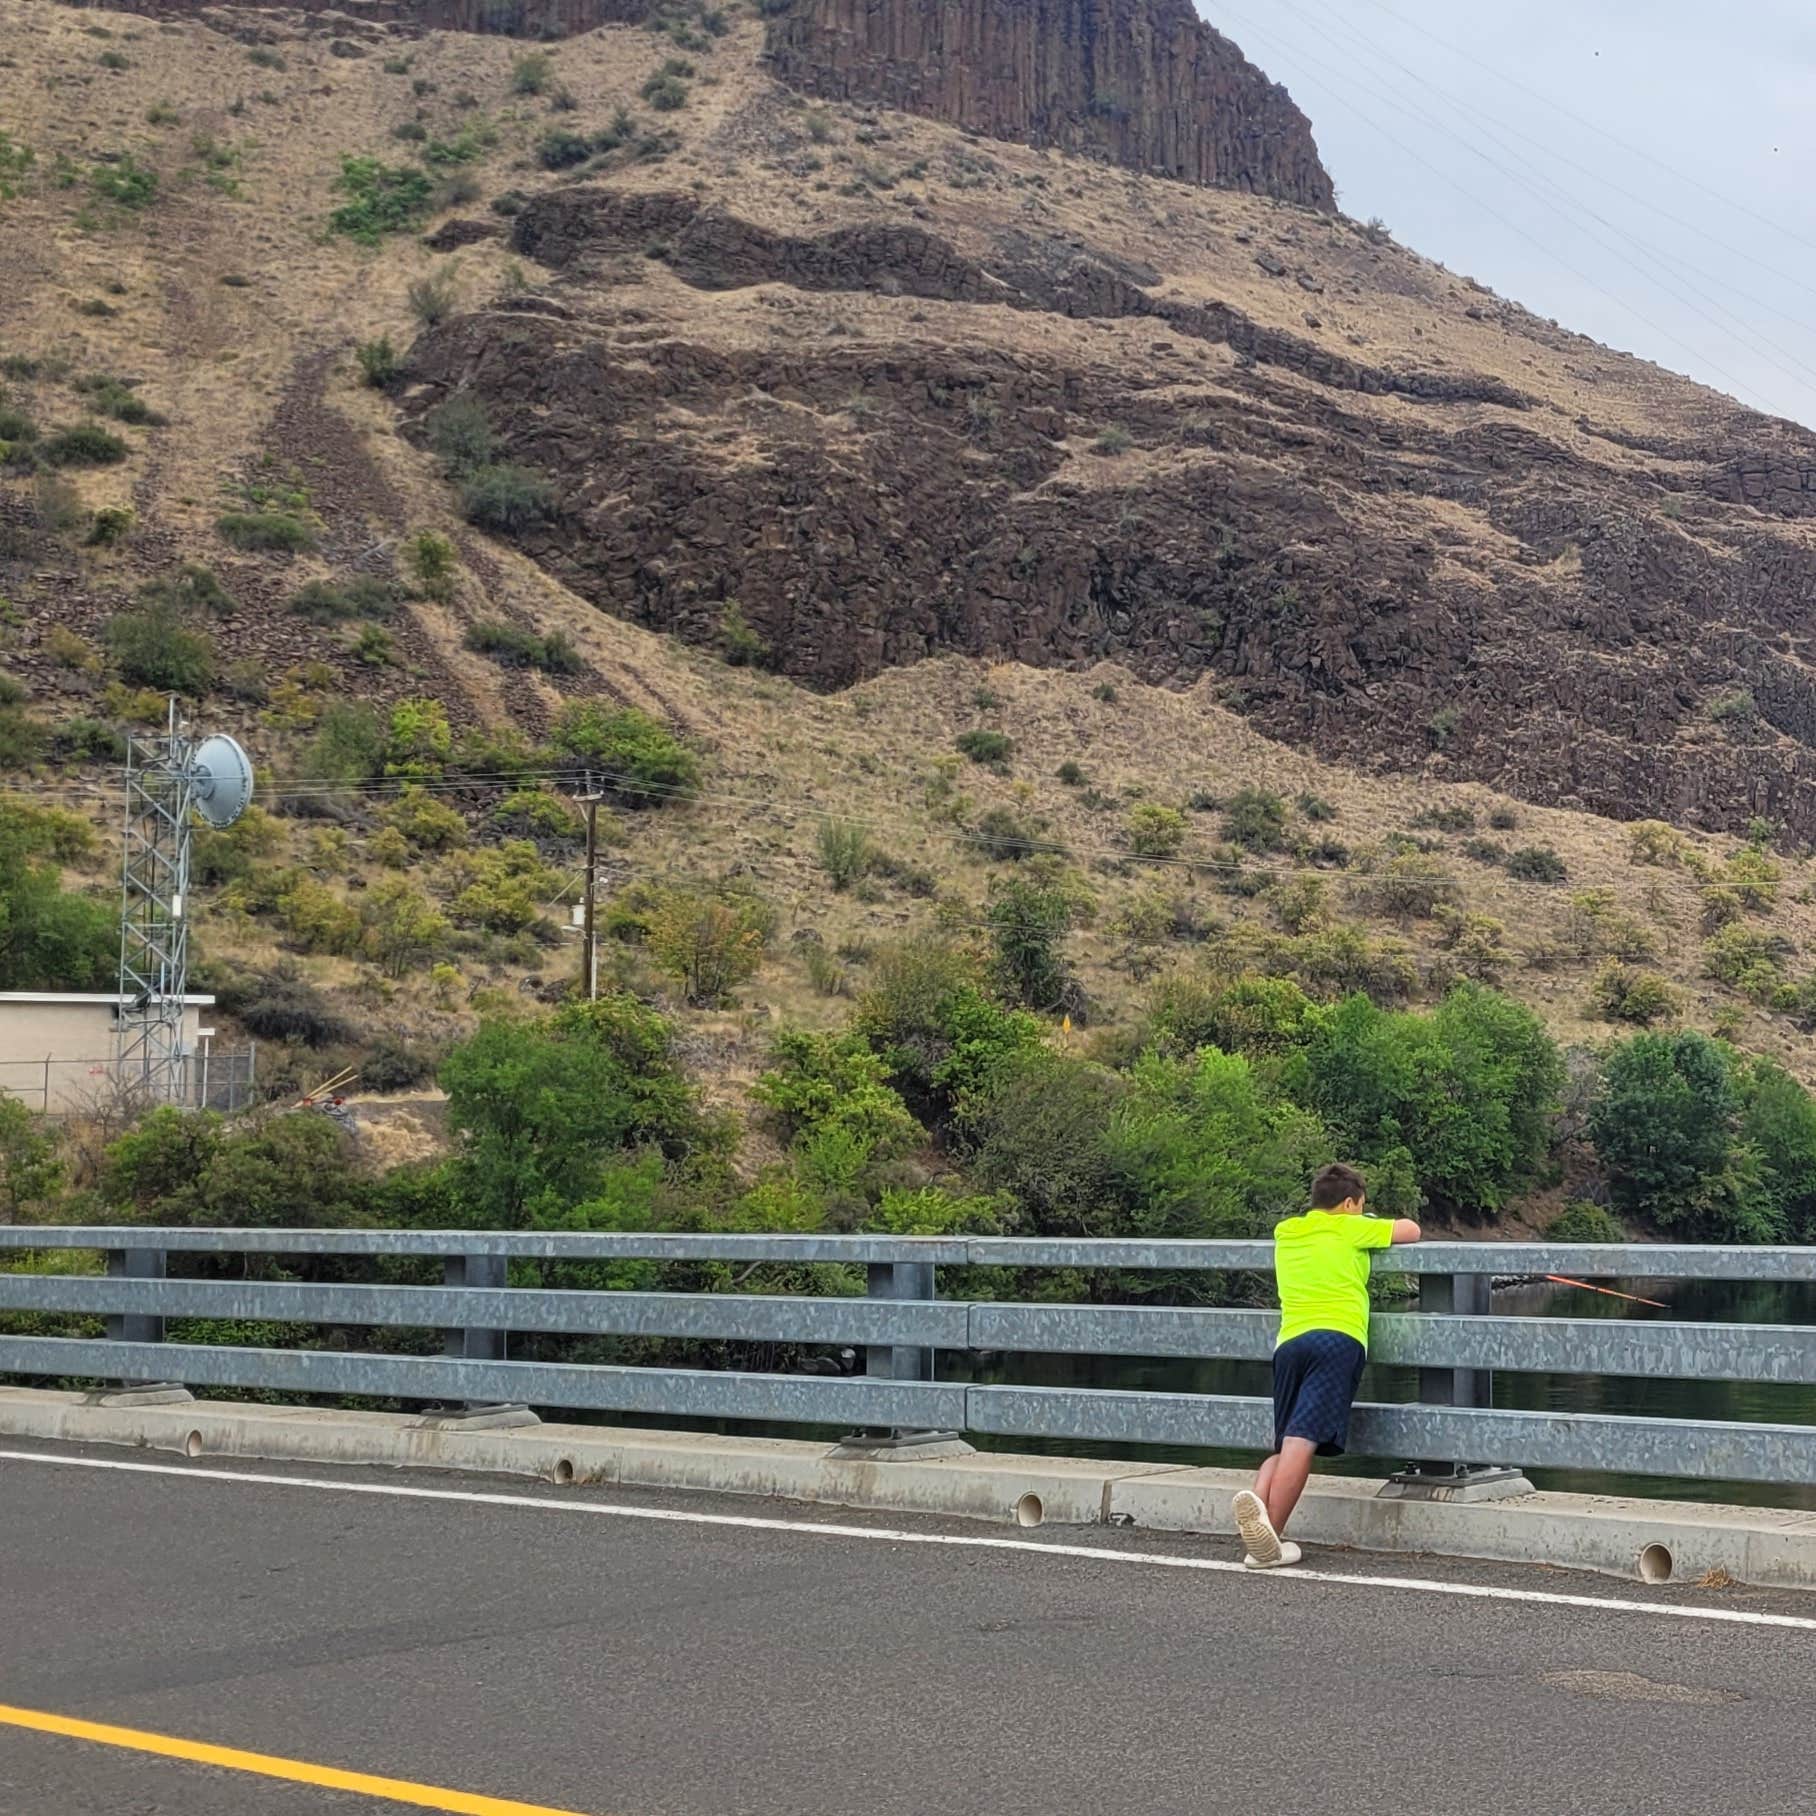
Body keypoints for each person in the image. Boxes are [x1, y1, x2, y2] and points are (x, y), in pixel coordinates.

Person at [1232, 1162, 1421, 1570]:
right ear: (1350, 1203)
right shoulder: (1353, 1227)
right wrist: (1368, 1221)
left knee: (1286, 1444)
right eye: (1360, 1205)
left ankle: (1259, 1508)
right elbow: (1411, 1230)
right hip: (1337, 1338)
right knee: (1302, 1442)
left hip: (1290, 1343)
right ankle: (1271, 1539)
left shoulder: (1287, 1230)